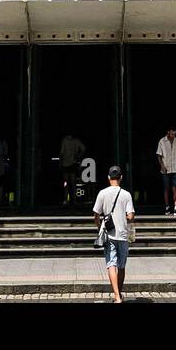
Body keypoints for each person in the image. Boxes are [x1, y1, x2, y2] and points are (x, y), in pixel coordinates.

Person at [92, 165, 135, 303]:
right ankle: (119, 293)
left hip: (108, 234)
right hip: (122, 234)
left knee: (111, 264)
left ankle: (117, 297)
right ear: (121, 178)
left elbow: (96, 214)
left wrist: (100, 226)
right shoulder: (126, 194)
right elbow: (130, 216)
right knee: (121, 266)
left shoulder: (102, 193)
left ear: (108, 178)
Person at [156, 126, 176, 215]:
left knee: (175, 188)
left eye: (174, 134)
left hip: (175, 168)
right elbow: (159, 155)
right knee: (166, 188)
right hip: (165, 168)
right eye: (171, 134)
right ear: (168, 132)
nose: (173, 136)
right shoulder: (162, 141)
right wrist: (162, 166)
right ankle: (167, 207)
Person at [58, 130, 86, 205]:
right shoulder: (76, 141)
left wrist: (60, 162)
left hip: (65, 164)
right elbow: (83, 148)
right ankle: (74, 199)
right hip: (73, 164)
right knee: (73, 183)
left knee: (66, 183)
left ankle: (66, 199)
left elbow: (62, 152)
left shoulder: (64, 140)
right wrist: (79, 155)